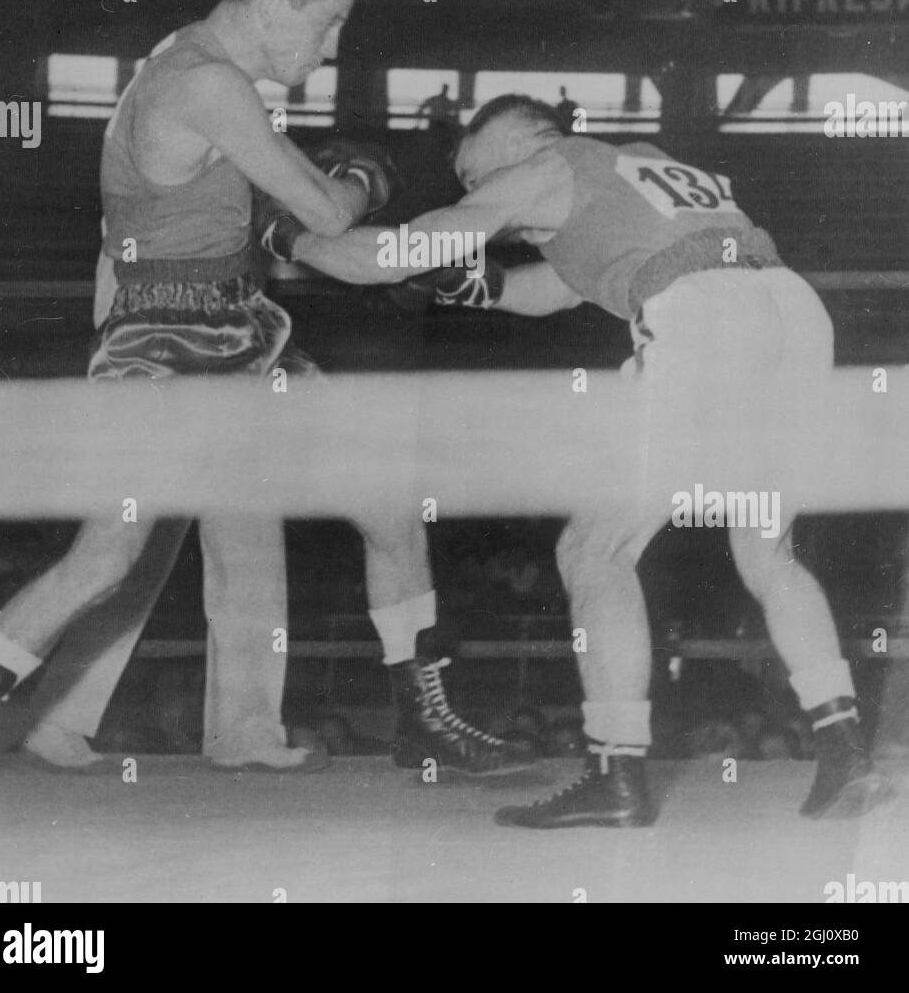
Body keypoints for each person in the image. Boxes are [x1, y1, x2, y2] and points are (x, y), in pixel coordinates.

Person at [0, 0, 532, 785]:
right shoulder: (207, 84)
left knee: (387, 502)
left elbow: (255, 228)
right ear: (271, 1)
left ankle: (424, 715)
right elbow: (331, 215)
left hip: (242, 337)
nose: (334, 47)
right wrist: (367, 176)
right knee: (104, 557)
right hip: (162, 347)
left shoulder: (192, 67)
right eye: (327, 22)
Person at [276, 91, 889, 827]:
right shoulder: (640, 169)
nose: (480, 198)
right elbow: (561, 287)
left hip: (703, 322)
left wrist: (291, 240)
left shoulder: (551, 162)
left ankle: (615, 771)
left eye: (476, 177)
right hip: (788, 312)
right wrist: (482, 289)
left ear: (521, 142)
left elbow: (395, 255)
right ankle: (844, 747)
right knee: (768, 553)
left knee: (593, 550)